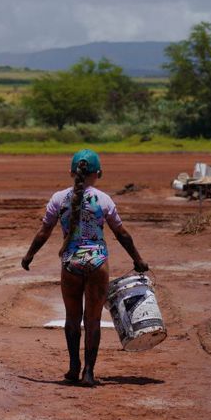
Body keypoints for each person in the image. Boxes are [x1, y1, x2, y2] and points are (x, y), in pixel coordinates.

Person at [21, 148, 149, 387]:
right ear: (98, 173)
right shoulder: (103, 200)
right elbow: (122, 234)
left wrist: (29, 256)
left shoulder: (58, 199)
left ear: (71, 172)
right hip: (98, 263)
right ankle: (88, 373)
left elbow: (43, 232)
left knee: (72, 318)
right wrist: (137, 260)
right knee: (93, 320)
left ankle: (73, 367)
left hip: (70, 263)